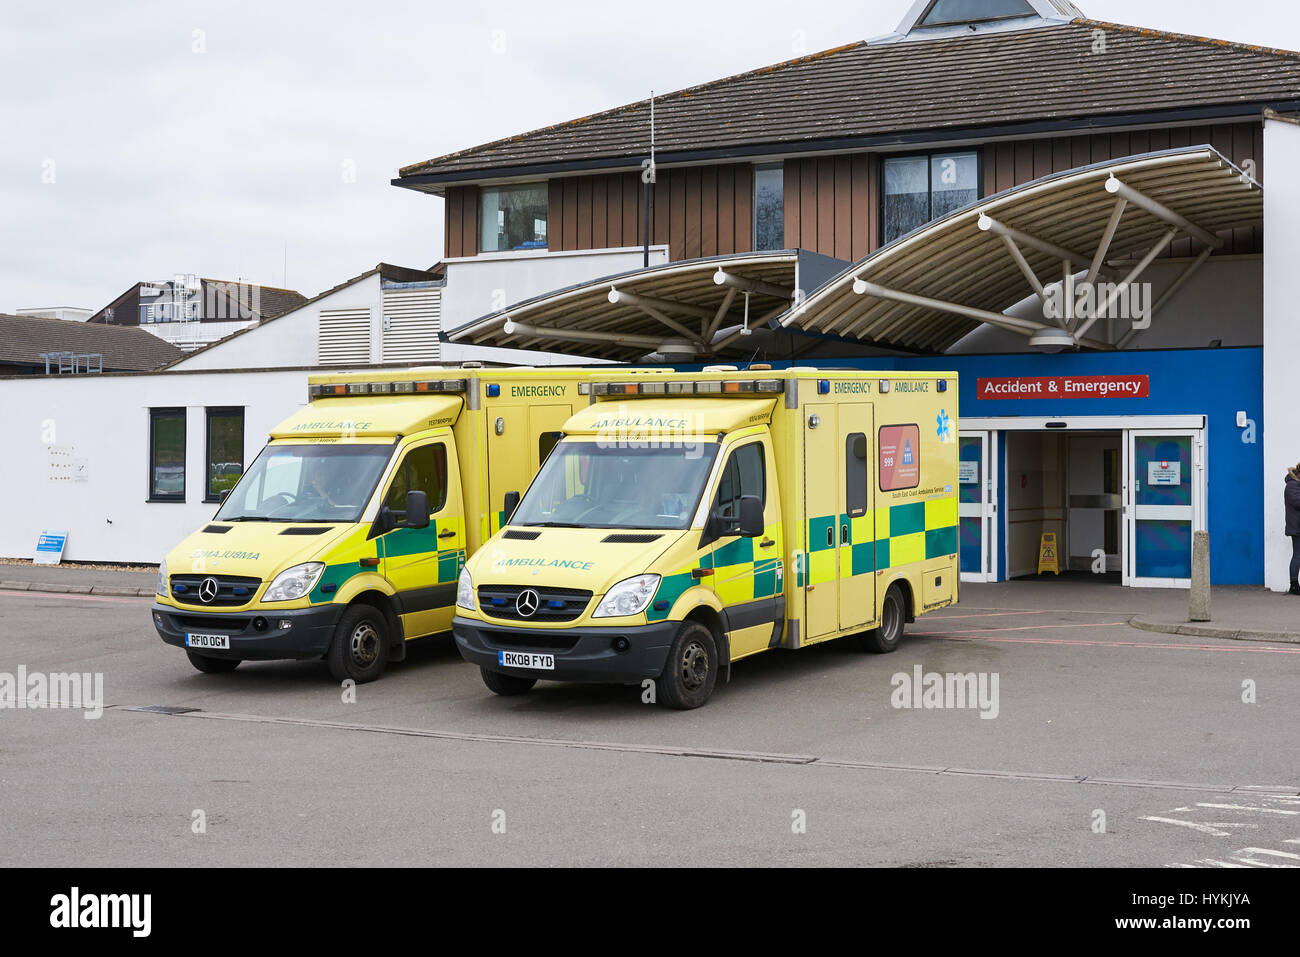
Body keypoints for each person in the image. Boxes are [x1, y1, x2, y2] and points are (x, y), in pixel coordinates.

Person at [1286, 463, 1300, 594]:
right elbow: (1297, 502)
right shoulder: (1292, 485)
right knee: (1297, 555)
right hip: (1297, 526)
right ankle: (1294, 585)